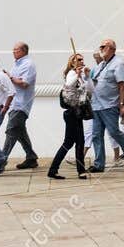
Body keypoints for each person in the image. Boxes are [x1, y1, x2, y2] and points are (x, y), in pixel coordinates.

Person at [89, 40, 124, 173]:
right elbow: (93, 80)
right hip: (97, 105)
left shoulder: (118, 63)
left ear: (111, 49)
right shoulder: (101, 65)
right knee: (96, 135)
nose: (100, 49)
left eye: (103, 46)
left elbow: (122, 85)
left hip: (110, 104)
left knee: (113, 131)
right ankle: (99, 164)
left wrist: (122, 105)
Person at [48, 51, 91, 181]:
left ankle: (54, 169)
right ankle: (80, 171)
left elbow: (91, 90)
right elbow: (68, 84)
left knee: (73, 142)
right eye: (78, 59)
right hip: (72, 112)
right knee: (75, 142)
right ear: (72, 63)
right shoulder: (72, 73)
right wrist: (77, 74)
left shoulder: (81, 75)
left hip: (77, 112)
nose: (81, 61)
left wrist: (87, 77)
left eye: (82, 59)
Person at [0, 41, 39, 169]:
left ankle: (1, 160)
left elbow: (24, 83)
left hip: (21, 104)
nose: (13, 52)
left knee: (11, 130)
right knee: (20, 131)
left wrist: (9, 77)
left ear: (23, 51)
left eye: (16, 50)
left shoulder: (28, 64)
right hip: (14, 103)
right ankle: (31, 157)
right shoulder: (17, 64)